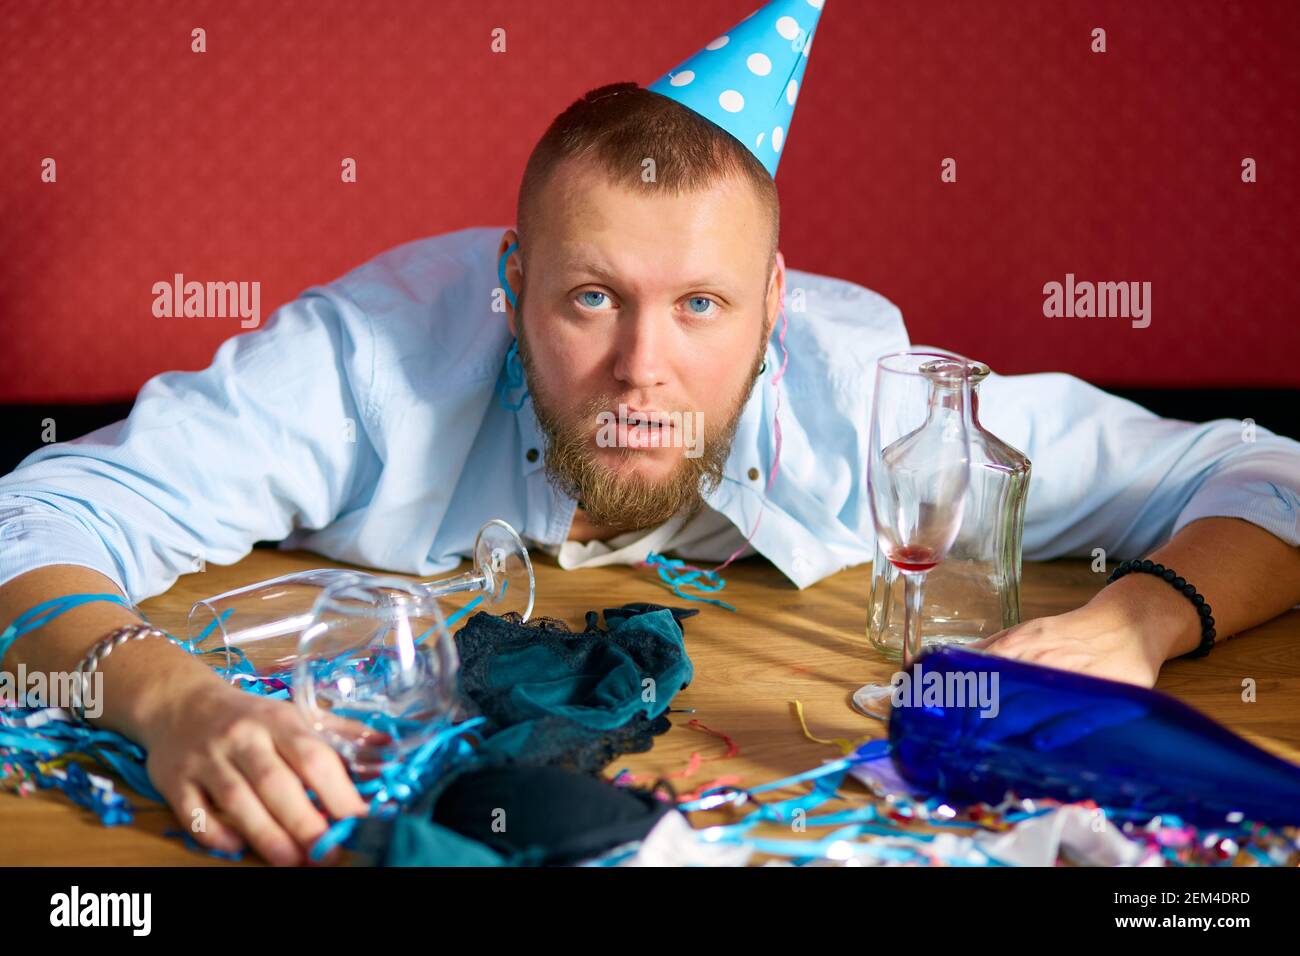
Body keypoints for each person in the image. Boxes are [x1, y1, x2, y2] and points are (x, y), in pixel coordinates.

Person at [3, 4, 1299, 867]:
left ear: (773, 309)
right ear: (512, 285)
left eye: (700, 305)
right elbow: (34, 515)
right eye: (589, 298)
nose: (642, 366)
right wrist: (172, 701)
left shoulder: (875, 403)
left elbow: (1265, 473)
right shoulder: (367, 360)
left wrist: (1135, 626)